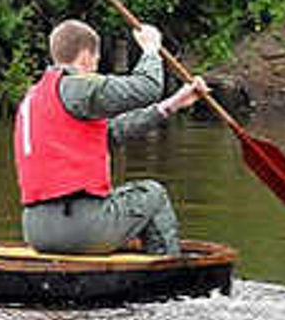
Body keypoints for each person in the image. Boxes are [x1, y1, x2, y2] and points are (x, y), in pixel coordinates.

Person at [14, 19, 207, 257]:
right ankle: (169, 276)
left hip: (36, 232)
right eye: (96, 61)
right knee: (153, 195)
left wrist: (172, 104)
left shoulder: (33, 97)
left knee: (122, 201)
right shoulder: (77, 86)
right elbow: (147, 87)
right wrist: (150, 49)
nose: (95, 67)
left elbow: (111, 133)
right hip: (80, 228)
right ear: (85, 56)